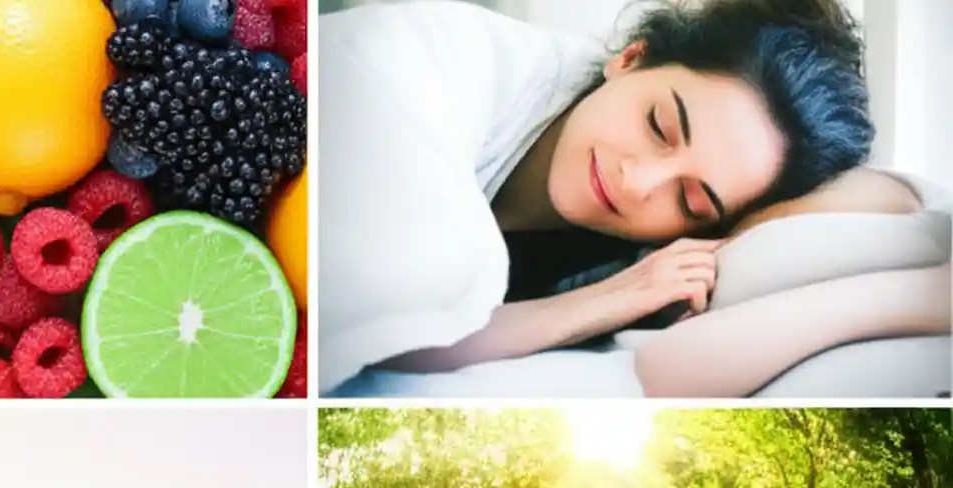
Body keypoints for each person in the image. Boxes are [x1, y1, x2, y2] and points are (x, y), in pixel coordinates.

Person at [318, 0, 948, 396]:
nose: (638, 183)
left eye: (693, 200)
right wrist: (614, 299)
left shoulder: (642, 253)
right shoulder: (440, 59)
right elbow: (405, 322)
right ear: (631, 58)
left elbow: (894, 202)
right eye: (659, 126)